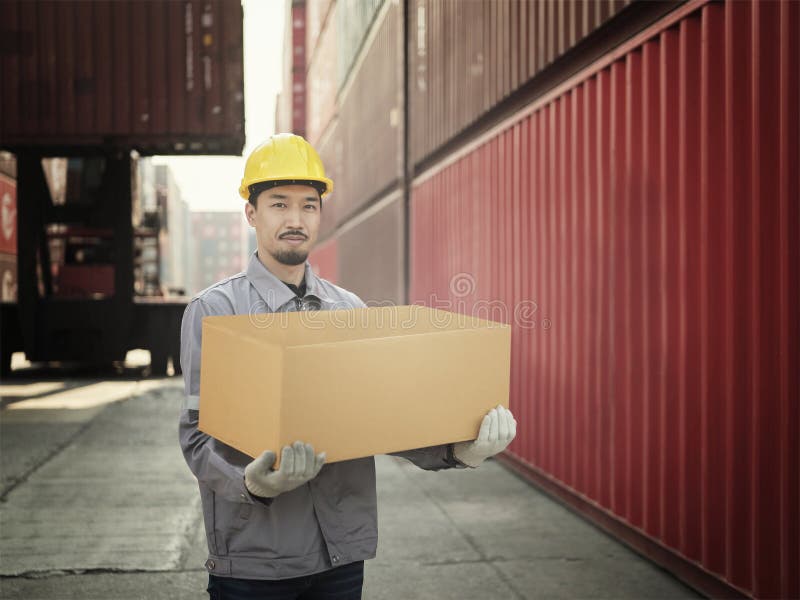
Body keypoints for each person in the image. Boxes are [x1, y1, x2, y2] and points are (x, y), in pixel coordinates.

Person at [179, 133, 517, 600]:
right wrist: (251, 483)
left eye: (309, 206)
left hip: (340, 555)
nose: (295, 220)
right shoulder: (215, 311)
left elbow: (382, 422)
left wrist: (459, 451)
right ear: (251, 213)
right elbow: (196, 437)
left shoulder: (349, 309)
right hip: (254, 564)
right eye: (279, 204)